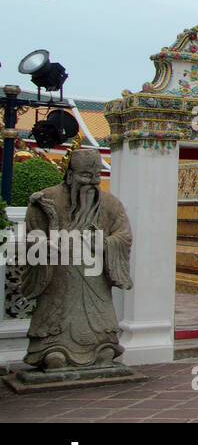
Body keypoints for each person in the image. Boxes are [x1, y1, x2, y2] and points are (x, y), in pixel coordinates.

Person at [21, 148, 133, 370]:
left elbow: (124, 236)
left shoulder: (110, 204)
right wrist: (49, 244)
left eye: (96, 177)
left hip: (95, 282)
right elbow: (32, 239)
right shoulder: (47, 200)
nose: (91, 183)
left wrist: (103, 244)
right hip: (59, 283)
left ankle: (101, 346)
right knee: (55, 359)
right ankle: (52, 347)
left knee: (105, 354)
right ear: (70, 175)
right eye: (85, 176)